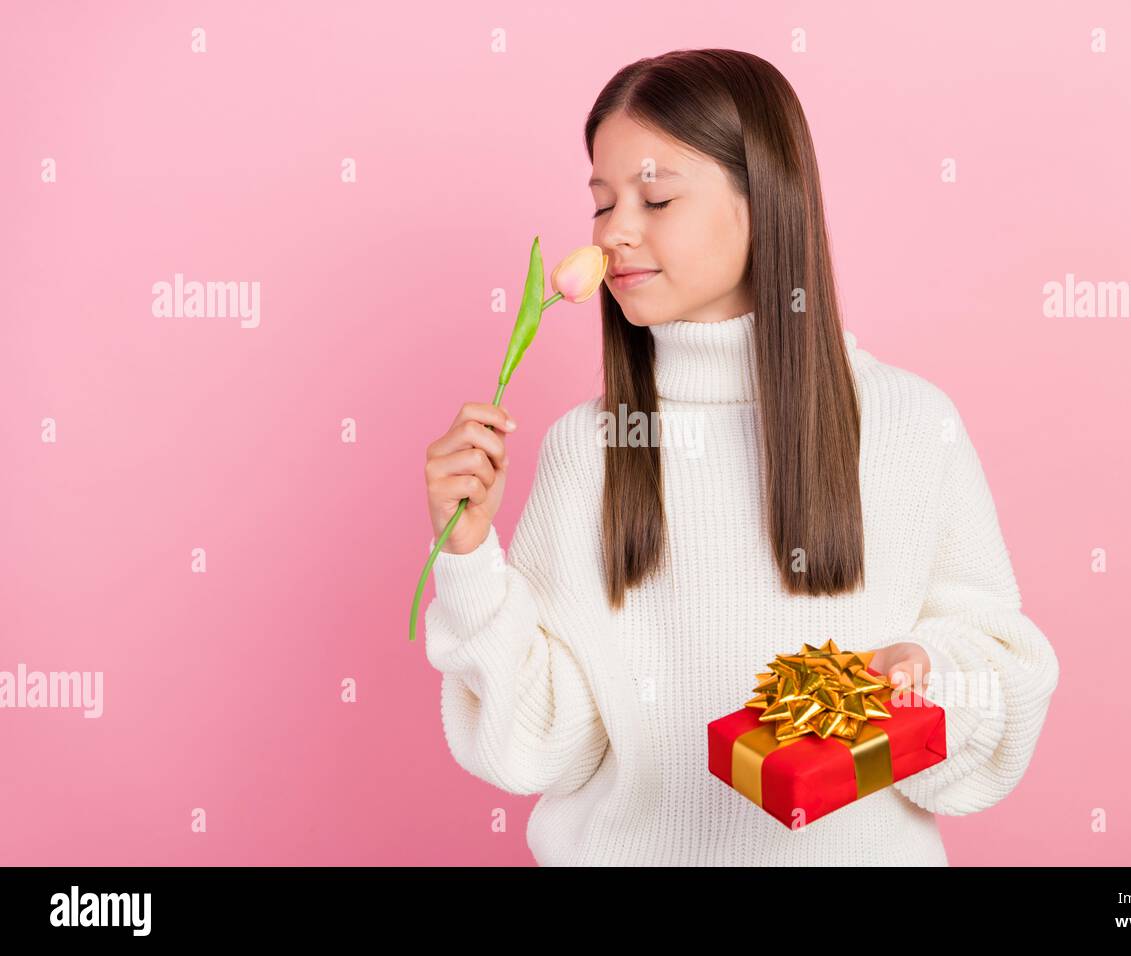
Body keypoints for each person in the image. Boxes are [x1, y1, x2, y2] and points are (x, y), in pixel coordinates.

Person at [422, 48, 1060, 866]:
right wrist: (469, 561)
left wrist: (923, 674)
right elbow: (544, 746)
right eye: (603, 201)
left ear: (764, 203)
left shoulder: (908, 426)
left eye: (655, 197)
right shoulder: (588, 451)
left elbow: (999, 685)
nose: (616, 232)